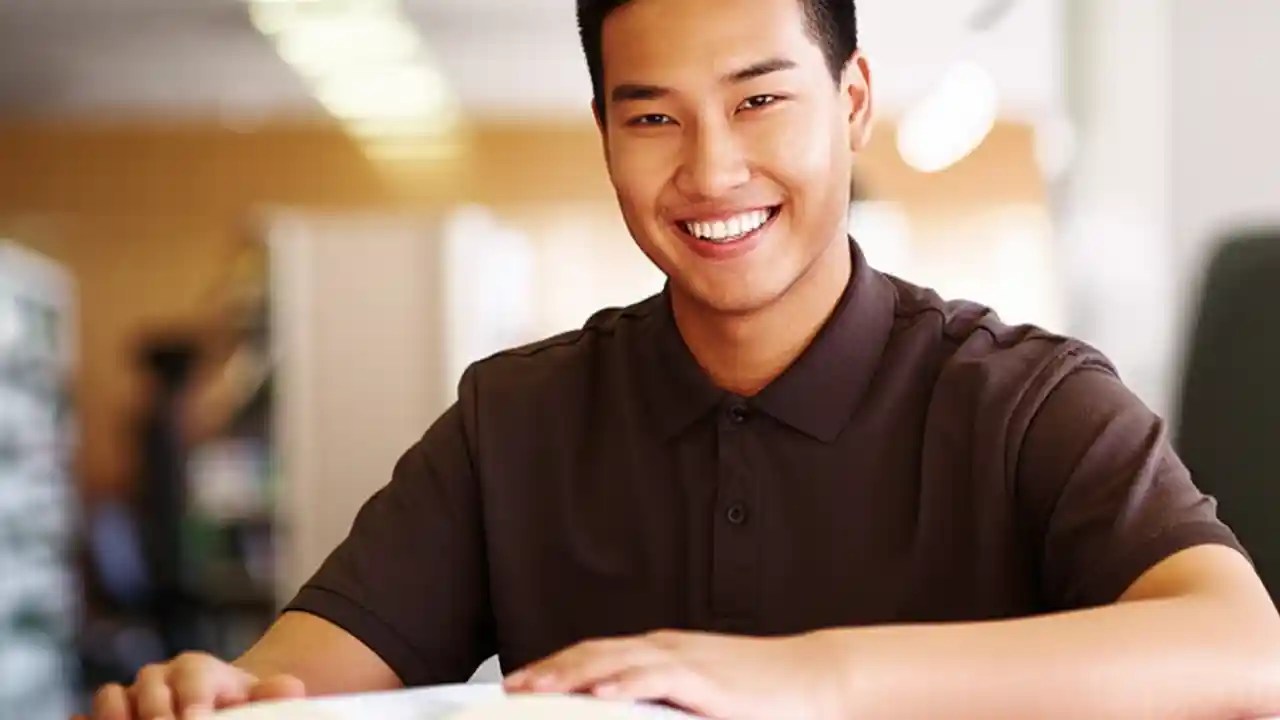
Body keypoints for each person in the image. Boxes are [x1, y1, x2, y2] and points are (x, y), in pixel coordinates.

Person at [83, 0, 1280, 718]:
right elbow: (310, 675)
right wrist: (222, 692)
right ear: (603, 129)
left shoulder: (1027, 398)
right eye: (650, 116)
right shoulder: (517, 417)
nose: (708, 172)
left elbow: (1242, 654)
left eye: (759, 102)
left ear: (850, 100)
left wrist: (803, 684)